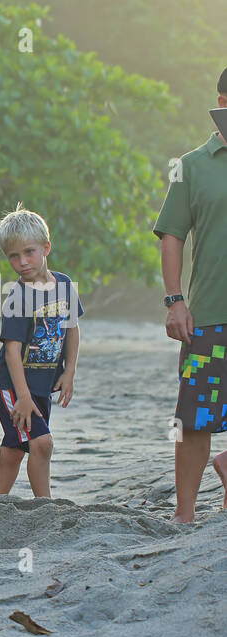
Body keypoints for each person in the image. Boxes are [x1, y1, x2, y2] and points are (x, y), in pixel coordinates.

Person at [154, 67, 227, 523]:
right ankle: (184, 514)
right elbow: (172, 237)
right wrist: (174, 300)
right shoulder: (193, 166)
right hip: (211, 316)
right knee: (195, 417)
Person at [0, 206, 82, 498]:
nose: (22, 262)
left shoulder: (64, 285)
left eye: (29, 252)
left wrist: (69, 372)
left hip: (42, 384)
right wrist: (24, 397)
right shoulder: (18, 298)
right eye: (13, 256)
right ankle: (46, 507)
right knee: (42, 444)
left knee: (14, 450)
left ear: (46, 247)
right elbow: (12, 353)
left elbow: (72, 329)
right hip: (13, 386)